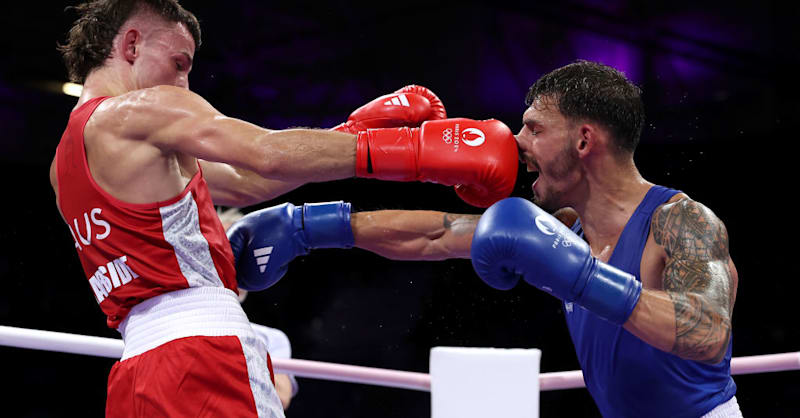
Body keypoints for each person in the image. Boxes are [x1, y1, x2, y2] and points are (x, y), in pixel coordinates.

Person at [49, 1, 519, 416]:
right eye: (178, 63)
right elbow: (267, 153)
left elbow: (249, 182)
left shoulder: (65, 162)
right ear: (131, 43)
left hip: (136, 374)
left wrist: (347, 133)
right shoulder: (144, 110)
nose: (183, 82)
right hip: (205, 354)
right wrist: (414, 152)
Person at [230, 61, 741, 417]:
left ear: (584, 140)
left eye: (534, 129)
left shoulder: (681, 221)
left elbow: (709, 330)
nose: (517, 144)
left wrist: (586, 279)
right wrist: (311, 227)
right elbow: (438, 233)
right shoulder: (565, 229)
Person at [218, 208, 299, 410]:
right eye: (224, 251)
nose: (233, 262)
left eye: (241, 254)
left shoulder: (270, 338)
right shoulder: (177, 322)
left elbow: (280, 398)